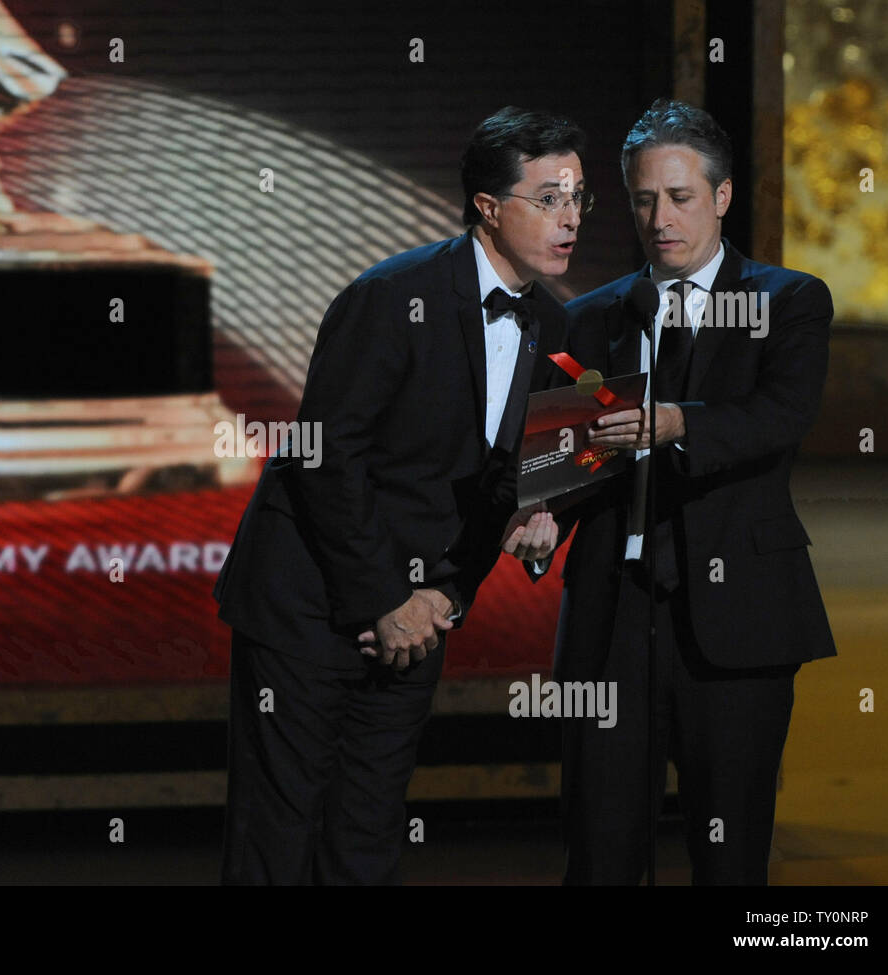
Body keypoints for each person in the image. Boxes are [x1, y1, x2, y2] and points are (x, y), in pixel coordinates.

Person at [213, 107, 585, 884]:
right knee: (276, 839)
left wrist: (528, 528)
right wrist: (386, 597)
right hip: (309, 601)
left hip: (421, 615)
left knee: (368, 834)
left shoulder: (554, 325)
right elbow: (327, 459)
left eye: (579, 196)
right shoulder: (392, 296)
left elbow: (515, 483)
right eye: (548, 197)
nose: (571, 217)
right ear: (488, 207)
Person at [538, 98, 836, 884]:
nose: (658, 218)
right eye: (642, 199)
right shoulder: (594, 317)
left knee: (731, 856)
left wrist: (675, 422)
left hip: (738, 617)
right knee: (599, 852)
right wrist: (540, 515)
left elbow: (778, 418)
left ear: (723, 197)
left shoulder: (789, 300)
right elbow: (569, 462)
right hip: (613, 610)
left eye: (679, 197)